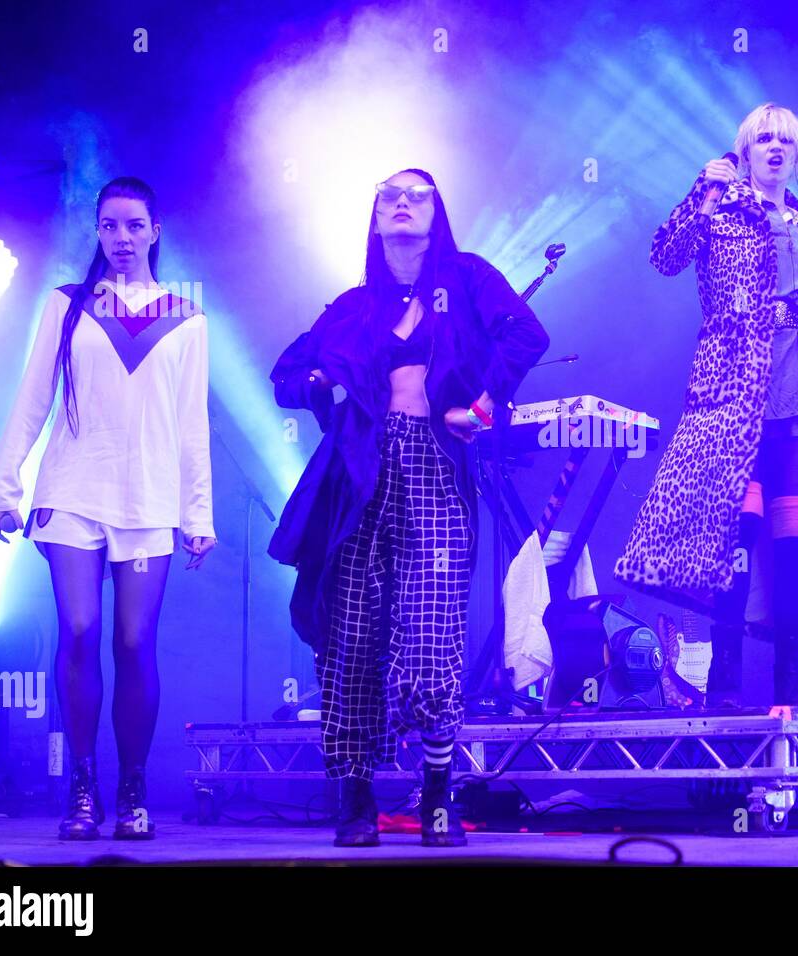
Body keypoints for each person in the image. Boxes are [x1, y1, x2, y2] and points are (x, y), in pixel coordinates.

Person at [268, 169, 549, 847]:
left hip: (434, 468)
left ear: (437, 212)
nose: (401, 202)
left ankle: (436, 792)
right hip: (359, 476)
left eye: (417, 193)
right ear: (374, 218)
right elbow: (287, 375)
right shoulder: (354, 305)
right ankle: (358, 798)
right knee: (351, 638)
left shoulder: (470, 280)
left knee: (431, 640)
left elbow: (526, 335)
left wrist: (484, 405)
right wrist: (321, 388)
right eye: (389, 194)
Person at [0, 176, 216, 841]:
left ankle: (132, 786)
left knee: (135, 643)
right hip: (72, 493)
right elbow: (31, 400)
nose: (121, 239)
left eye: (134, 226)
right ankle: (83, 788)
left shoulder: (187, 316)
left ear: (156, 230)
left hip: (147, 500)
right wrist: (4, 489)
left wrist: (198, 514)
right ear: (97, 231)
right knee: (80, 631)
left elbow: (191, 422)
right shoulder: (68, 305)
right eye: (109, 226)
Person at [614, 103, 798, 707]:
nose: (775, 148)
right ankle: (723, 674)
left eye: (786, 140)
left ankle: (789, 672)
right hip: (734, 392)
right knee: (737, 530)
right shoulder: (719, 212)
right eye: (763, 140)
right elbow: (666, 257)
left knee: (797, 532)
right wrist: (703, 191)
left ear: (797, 156)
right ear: (744, 152)